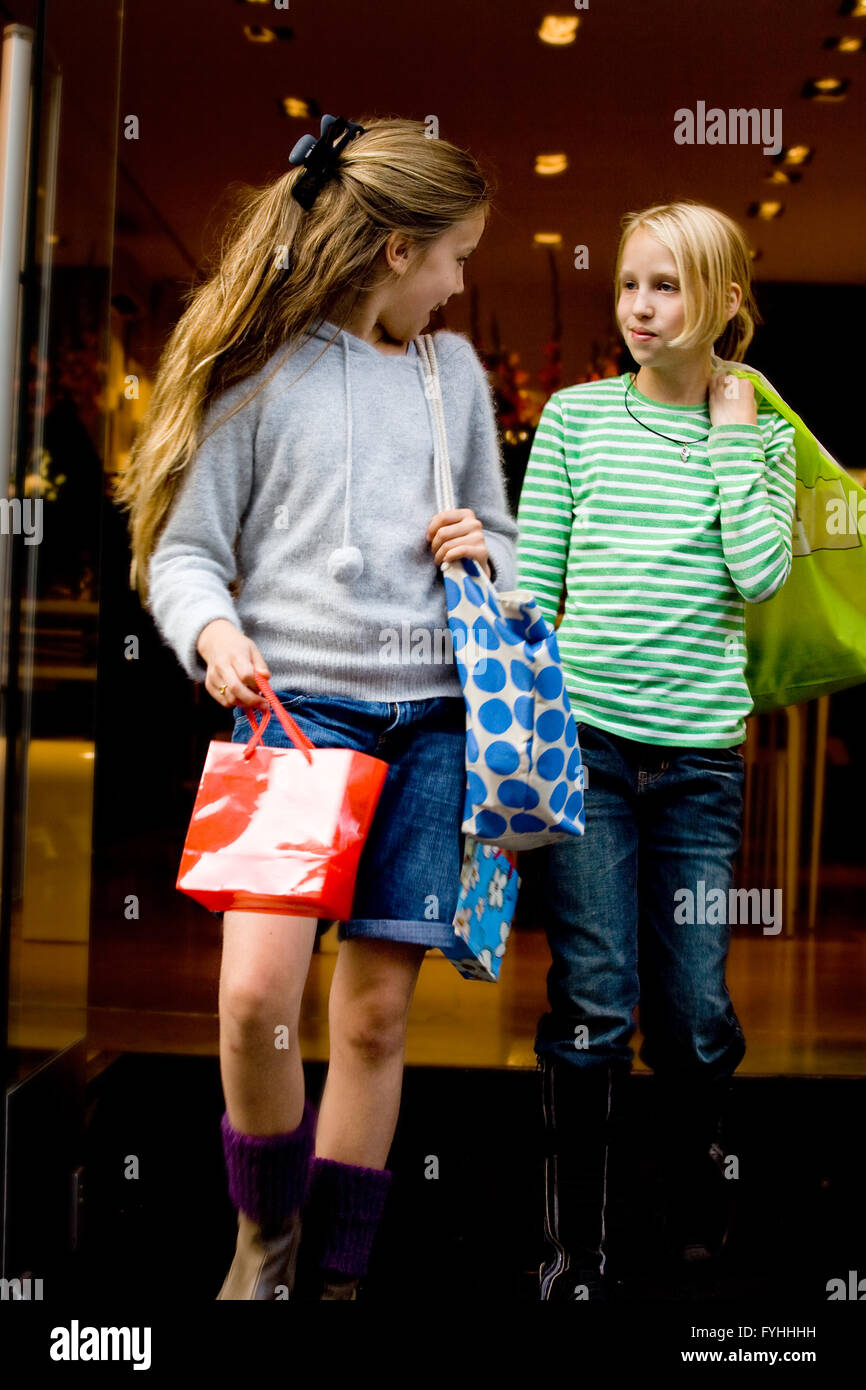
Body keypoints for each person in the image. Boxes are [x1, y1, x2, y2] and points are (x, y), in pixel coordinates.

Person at [115, 114, 518, 1300]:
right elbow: (183, 554)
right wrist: (213, 631)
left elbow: (501, 540)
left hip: (435, 722)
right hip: (292, 725)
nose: (459, 283)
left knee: (376, 1021)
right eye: (453, 257)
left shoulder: (457, 379)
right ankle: (265, 1235)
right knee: (252, 1000)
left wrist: (479, 552)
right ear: (395, 250)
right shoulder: (255, 374)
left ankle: (334, 1277)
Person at [515, 200, 797, 1300]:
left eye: (667, 286)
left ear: (724, 301)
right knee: (589, 997)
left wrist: (730, 436)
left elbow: (762, 574)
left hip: (696, 768)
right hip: (583, 747)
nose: (639, 306)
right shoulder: (573, 418)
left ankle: (690, 1221)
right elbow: (534, 590)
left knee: (688, 1013)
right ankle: (572, 1253)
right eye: (629, 283)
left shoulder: (761, 431)